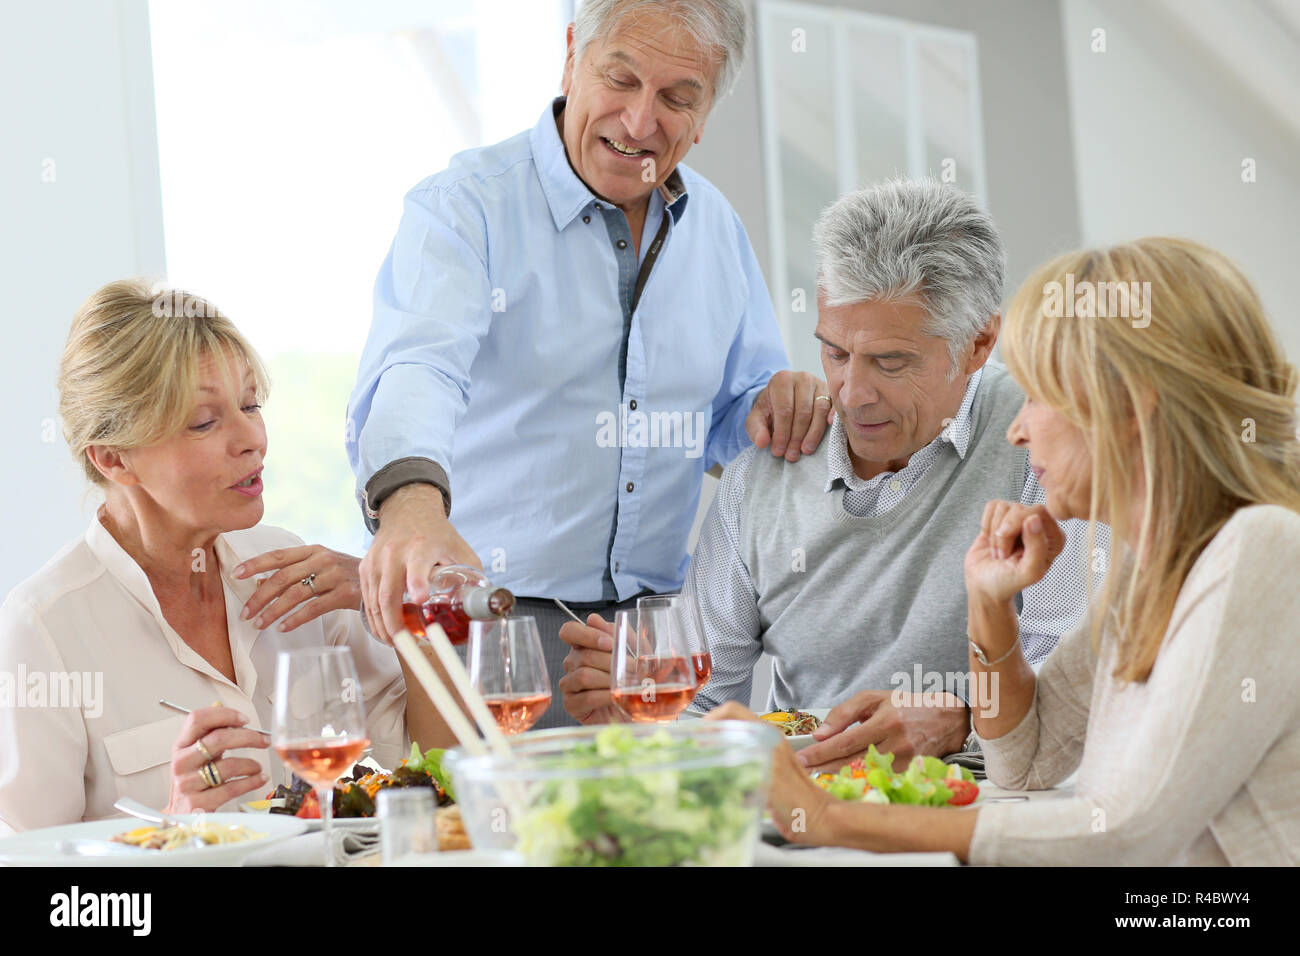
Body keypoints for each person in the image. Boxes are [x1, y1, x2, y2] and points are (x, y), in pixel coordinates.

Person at [711, 236, 1300, 865]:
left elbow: (1126, 833)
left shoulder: (1261, 549)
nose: (1018, 429)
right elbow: (1026, 762)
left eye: (1042, 398)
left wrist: (828, 817)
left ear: (1129, 404)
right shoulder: (1152, 569)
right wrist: (989, 605)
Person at [346, 0, 831, 728]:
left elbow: (732, 418)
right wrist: (412, 506)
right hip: (490, 628)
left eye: (676, 98)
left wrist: (776, 405)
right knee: (489, 839)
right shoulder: (464, 208)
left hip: (654, 646)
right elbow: (419, 369)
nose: (641, 123)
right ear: (573, 55)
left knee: (669, 841)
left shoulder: (718, 230)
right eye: (621, 78)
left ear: (704, 116)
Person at [560, 180, 1104, 771]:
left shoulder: (1045, 444)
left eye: (890, 362)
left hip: (992, 814)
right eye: (835, 353)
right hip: (803, 818)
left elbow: (1070, 701)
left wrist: (964, 722)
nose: (853, 394)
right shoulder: (763, 478)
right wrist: (644, 716)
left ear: (978, 343)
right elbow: (707, 705)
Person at [0, 280, 450, 833]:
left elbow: (443, 762)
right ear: (114, 458)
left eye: (250, 404)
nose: (252, 438)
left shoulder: (296, 570)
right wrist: (171, 827)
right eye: (205, 422)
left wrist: (399, 607)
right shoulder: (43, 630)